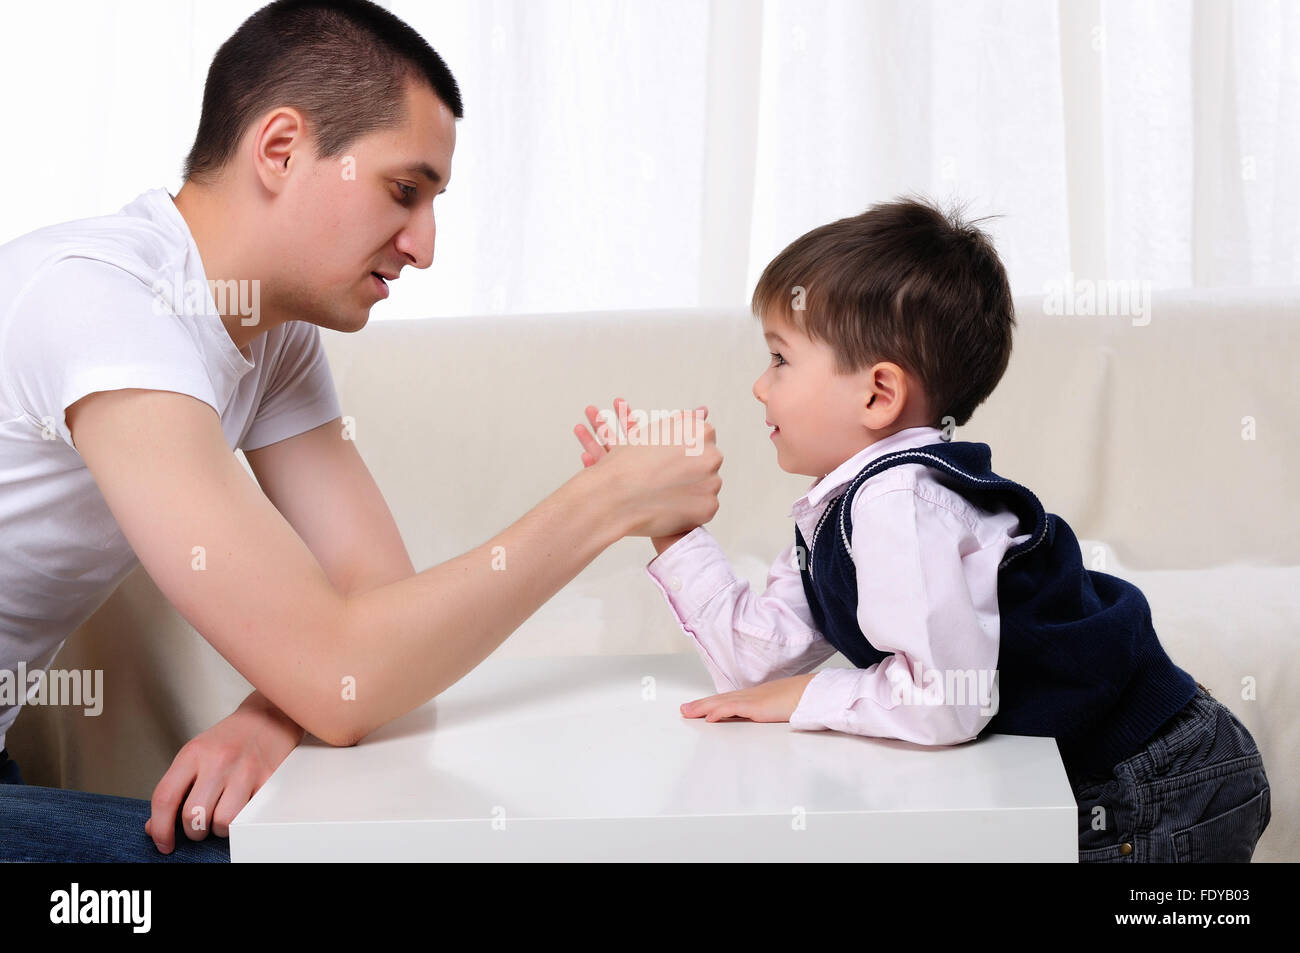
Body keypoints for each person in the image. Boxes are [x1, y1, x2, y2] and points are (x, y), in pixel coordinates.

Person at [0, 0, 721, 862]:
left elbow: (369, 600)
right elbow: (347, 668)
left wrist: (272, 714)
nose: (423, 244)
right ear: (281, 149)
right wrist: (607, 501)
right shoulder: (102, 301)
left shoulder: (276, 336)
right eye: (404, 190)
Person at [573, 198, 1271, 863]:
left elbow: (949, 701)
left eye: (780, 358)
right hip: (1115, 775)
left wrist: (803, 697)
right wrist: (670, 527)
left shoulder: (899, 501)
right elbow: (756, 660)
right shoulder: (840, 507)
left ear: (878, 393)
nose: (760, 386)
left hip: (1155, 777)